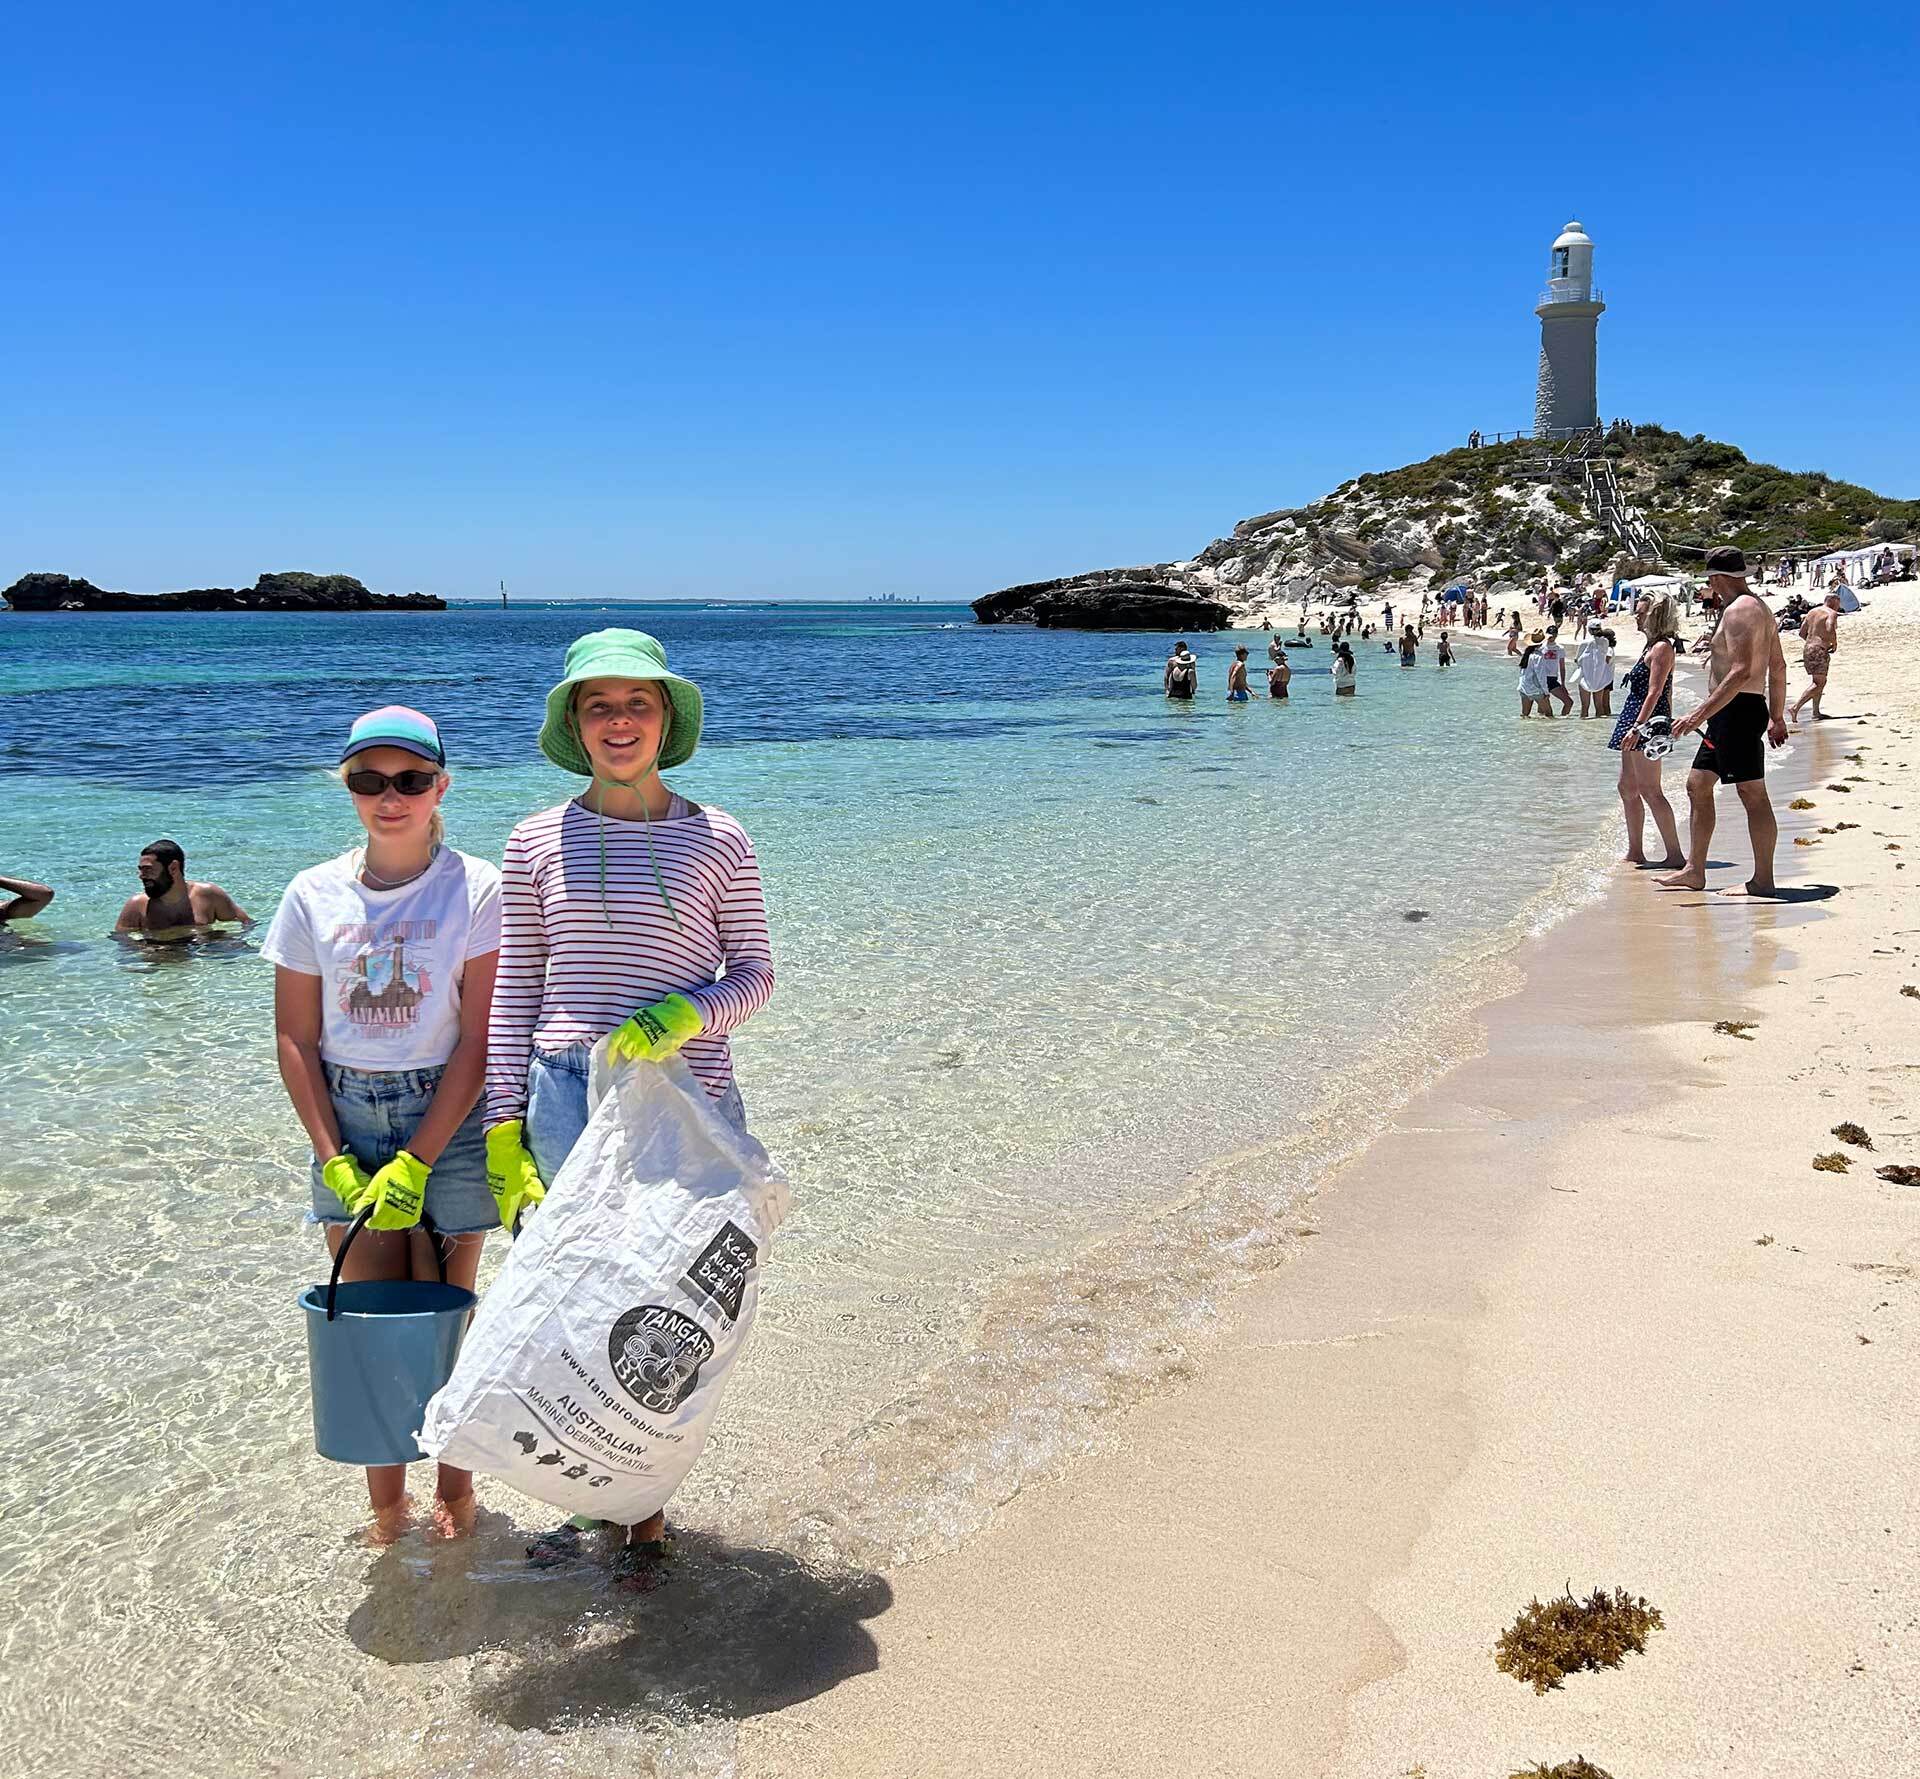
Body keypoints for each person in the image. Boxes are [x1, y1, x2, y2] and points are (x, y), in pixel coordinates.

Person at [484, 629, 774, 1581]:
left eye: (637, 703)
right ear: (574, 723)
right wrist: (500, 1129)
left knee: (665, 1307)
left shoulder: (720, 836)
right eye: (598, 704)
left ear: (665, 719)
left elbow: (756, 973)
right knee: (570, 1304)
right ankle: (586, 1494)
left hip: (685, 1096)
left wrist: (689, 1011)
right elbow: (515, 990)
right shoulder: (533, 839)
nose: (619, 721)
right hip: (566, 1091)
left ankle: (644, 1510)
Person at [262, 707, 501, 1543]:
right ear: (348, 788)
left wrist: (421, 1158)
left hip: (450, 1113)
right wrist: (333, 1157)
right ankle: (387, 1510)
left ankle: (457, 1493)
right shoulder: (311, 892)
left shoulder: (478, 886)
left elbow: (478, 1039)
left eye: (410, 780)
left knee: (446, 1316)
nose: (389, 797)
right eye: (369, 780)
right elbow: (296, 1038)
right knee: (367, 1318)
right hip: (348, 1110)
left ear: (441, 787)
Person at [1659, 547, 1789, 897]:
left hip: (1736, 711)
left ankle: (1763, 881)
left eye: (1710, 580)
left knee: (1752, 793)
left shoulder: (1739, 611)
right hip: (1734, 711)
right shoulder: (1759, 607)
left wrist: (1696, 715)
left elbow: (1741, 671)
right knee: (1698, 784)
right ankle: (1694, 871)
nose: (1710, 586)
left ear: (1717, 578)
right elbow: (1777, 666)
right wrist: (1776, 716)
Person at [1610, 596, 1683, 868]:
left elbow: (1656, 691)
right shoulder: (1650, 646)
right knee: (1627, 787)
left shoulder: (1662, 648)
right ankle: (1635, 851)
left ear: (1655, 617)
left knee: (1650, 790)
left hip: (1646, 723)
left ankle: (1675, 855)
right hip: (1635, 718)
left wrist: (1639, 728)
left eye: (1641, 613)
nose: (1636, 617)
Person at [115, 839, 250, 935]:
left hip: (202, 962)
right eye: (140, 870)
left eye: (147, 869)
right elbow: (122, 942)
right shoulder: (137, 905)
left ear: (173, 868)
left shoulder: (207, 894)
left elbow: (247, 924)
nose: (141, 876)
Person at [1789, 590, 1842, 723]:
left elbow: (1802, 633)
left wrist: (1812, 642)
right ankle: (1795, 707)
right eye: (1838, 603)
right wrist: (1834, 643)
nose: (1838, 607)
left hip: (1808, 648)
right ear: (1834, 602)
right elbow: (1830, 628)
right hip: (1819, 650)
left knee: (1818, 681)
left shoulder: (1812, 612)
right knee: (1819, 683)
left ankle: (1816, 712)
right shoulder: (1831, 613)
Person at [1575, 626, 1614, 718]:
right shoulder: (1605, 643)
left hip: (1585, 676)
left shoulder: (1585, 643)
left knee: (1585, 706)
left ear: (1589, 630)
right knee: (1599, 705)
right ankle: (1600, 725)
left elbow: (1577, 660)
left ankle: (1583, 725)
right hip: (1599, 676)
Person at [1538, 626, 1574, 714]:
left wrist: (1563, 684)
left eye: (1554, 635)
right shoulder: (1541, 647)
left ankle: (1562, 720)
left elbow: (1562, 667)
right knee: (1543, 708)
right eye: (1550, 635)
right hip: (1542, 678)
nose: (1552, 637)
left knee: (1569, 702)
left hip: (1553, 679)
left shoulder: (1560, 648)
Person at [1517, 632, 1552, 717]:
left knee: (1525, 715)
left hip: (1524, 687)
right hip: (1535, 689)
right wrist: (1546, 691)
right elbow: (1541, 675)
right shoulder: (1538, 656)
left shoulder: (1527, 654)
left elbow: (1522, 672)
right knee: (1549, 715)